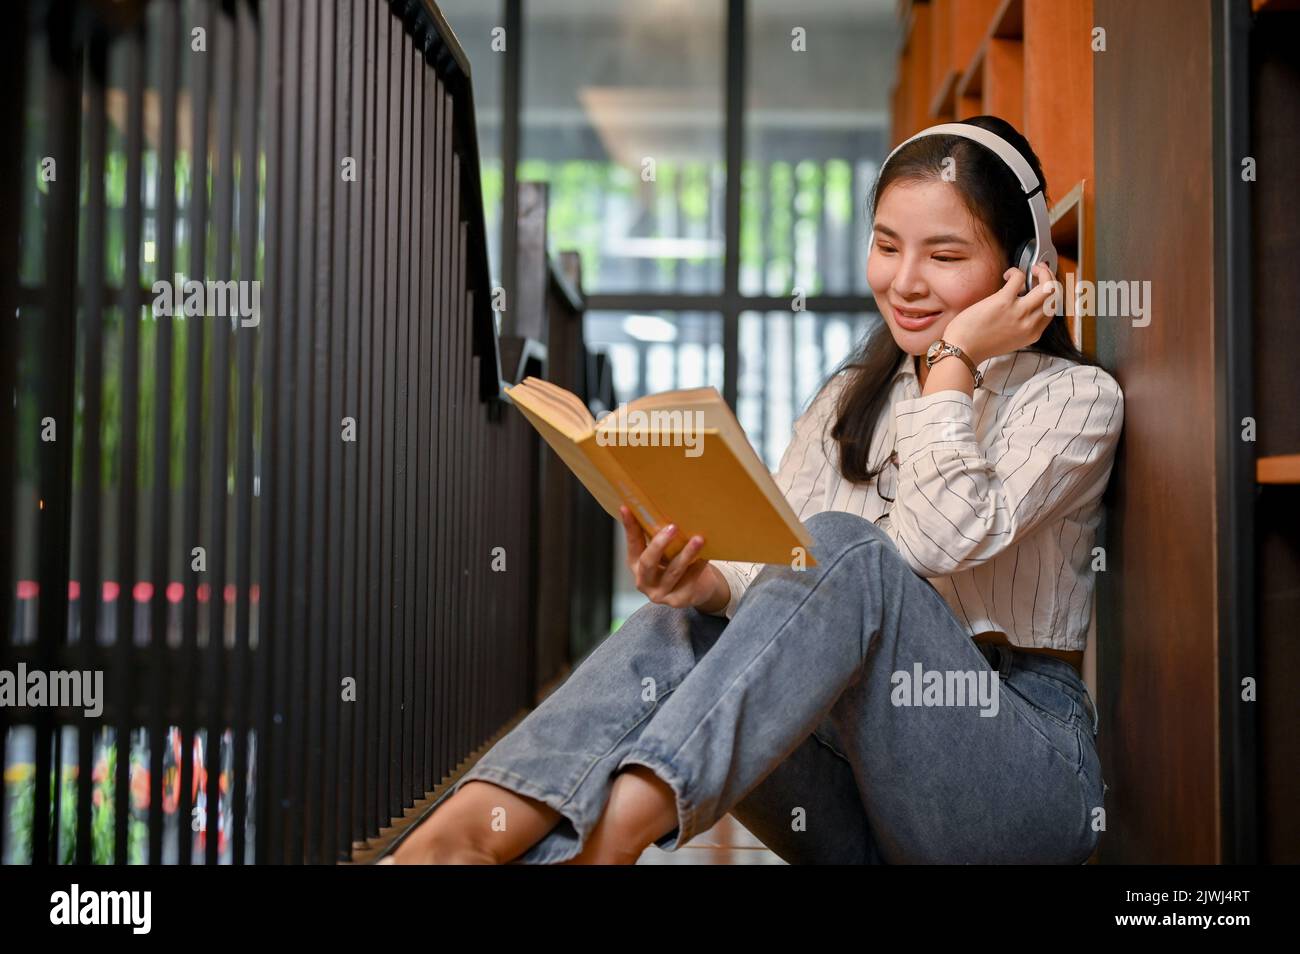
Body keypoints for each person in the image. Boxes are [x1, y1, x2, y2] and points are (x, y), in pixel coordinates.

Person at [386, 115, 1122, 865]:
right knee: (690, 625)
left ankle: (606, 843)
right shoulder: (850, 400)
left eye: (945, 254)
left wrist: (954, 362)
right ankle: (461, 837)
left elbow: (934, 542)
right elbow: (778, 565)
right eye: (886, 245)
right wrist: (706, 582)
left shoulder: (1074, 400)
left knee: (848, 550)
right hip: (856, 794)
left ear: (1023, 268)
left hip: (1008, 783)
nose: (903, 282)